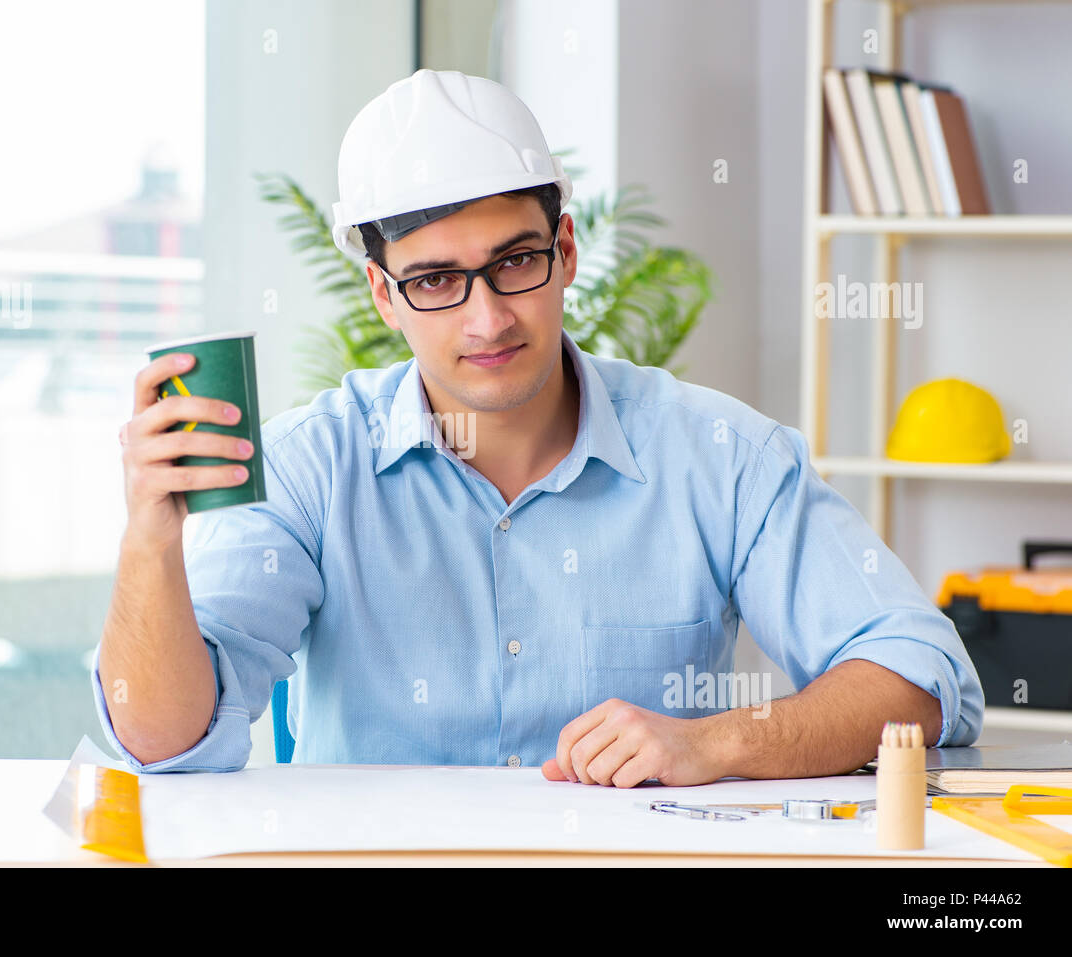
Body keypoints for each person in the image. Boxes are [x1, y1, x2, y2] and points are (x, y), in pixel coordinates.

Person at [94, 69, 983, 787]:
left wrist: (718, 743)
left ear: (562, 253)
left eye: (514, 263)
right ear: (383, 296)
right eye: (435, 281)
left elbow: (922, 672)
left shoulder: (721, 456)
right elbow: (168, 743)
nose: (486, 321)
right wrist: (149, 540)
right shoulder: (311, 466)